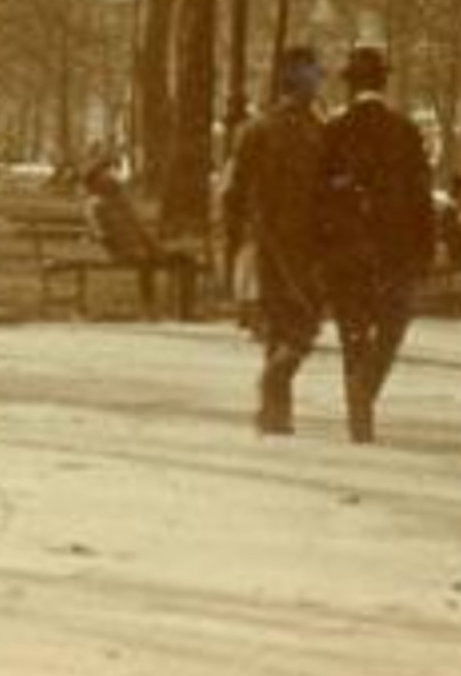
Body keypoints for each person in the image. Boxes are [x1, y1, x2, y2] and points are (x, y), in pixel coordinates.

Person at [315, 43, 436, 443]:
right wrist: (426, 248)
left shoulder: (334, 131)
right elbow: (421, 196)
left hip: (345, 249)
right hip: (394, 250)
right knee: (390, 328)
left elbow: (318, 194)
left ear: (351, 86)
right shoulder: (405, 131)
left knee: (352, 330)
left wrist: (322, 244)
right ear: (384, 83)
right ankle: (365, 391)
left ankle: (358, 406)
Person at [222, 47, 328, 435]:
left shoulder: (262, 129)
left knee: (287, 324)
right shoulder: (309, 131)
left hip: (278, 240)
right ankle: (274, 396)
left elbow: (232, 193)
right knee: (300, 324)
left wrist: (240, 232)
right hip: (294, 241)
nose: (319, 81)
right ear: (295, 79)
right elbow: (235, 190)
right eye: (314, 74)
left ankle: (275, 410)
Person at [81, 159, 202, 321]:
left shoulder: (121, 201)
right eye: (104, 175)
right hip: (119, 252)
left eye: (108, 174)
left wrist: (156, 248)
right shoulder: (95, 204)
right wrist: (122, 247)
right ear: (94, 181)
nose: (109, 177)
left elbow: (140, 229)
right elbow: (100, 234)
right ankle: (149, 309)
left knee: (186, 260)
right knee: (145, 260)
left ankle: (185, 310)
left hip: (143, 249)